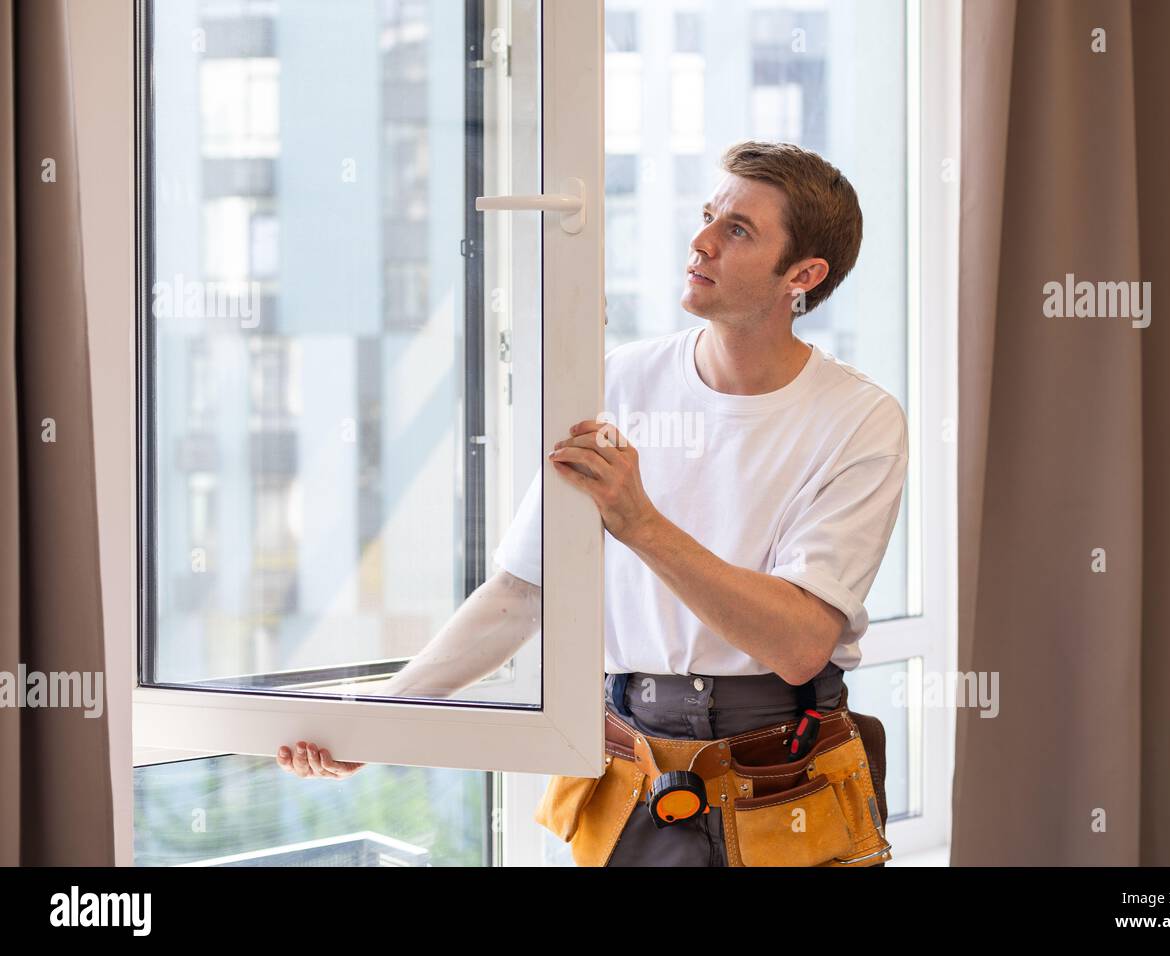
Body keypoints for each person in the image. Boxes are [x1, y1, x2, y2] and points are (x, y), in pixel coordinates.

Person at [278, 141, 908, 868]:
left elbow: (798, 646)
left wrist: (638, 523)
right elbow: (523, 593)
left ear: (802, 275)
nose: (699, 241)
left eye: (737, 230)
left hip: (783, 775)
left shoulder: (858, 419)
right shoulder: (620, 382)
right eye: (708, 216)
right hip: (630, 767)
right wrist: (384, 719)